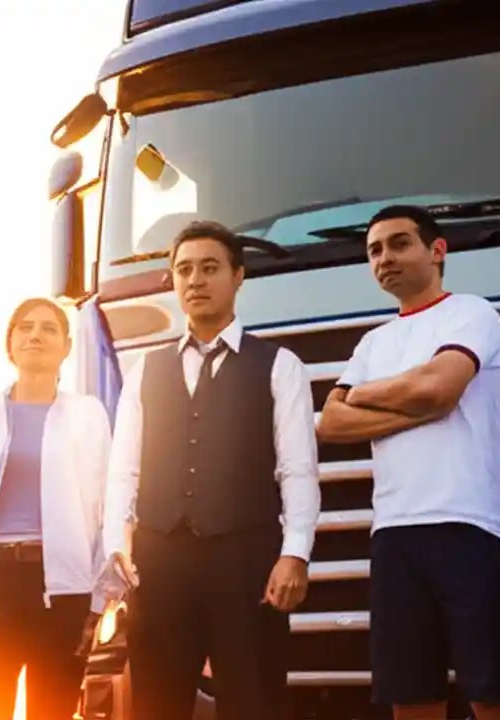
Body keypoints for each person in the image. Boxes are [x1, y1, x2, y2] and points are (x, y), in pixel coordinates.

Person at [101, 220, 321, 720]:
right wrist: (118, 540)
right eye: (183, 270)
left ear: (238, 276)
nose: (195, 280)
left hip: (247, 561)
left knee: (254, 703)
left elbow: (298, 469)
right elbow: (123, 469)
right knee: (156, 704)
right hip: (159, 563)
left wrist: (295, 554)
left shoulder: (279, 365)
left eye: (209, 268)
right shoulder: (146, 371)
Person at [317, 206, 500, 720]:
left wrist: (365, 395)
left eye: (398, 244)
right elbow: (330, 424)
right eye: (374, 251)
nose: (384, 258)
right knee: (411, 697)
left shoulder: (473, 314)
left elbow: (440, 387)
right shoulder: (374, 342)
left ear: (436, 251)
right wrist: (422, 405)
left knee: (494, 694)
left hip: (470, 527)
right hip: (393, 535)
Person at [0, 297, 112, 720]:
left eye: (49, 328)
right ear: (9, 344)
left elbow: (108, 508)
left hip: (63, 590)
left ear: (67, 346)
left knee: (53, 711)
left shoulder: (88, 415)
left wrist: (101, 600)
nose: (35, 335)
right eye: (24, 327)